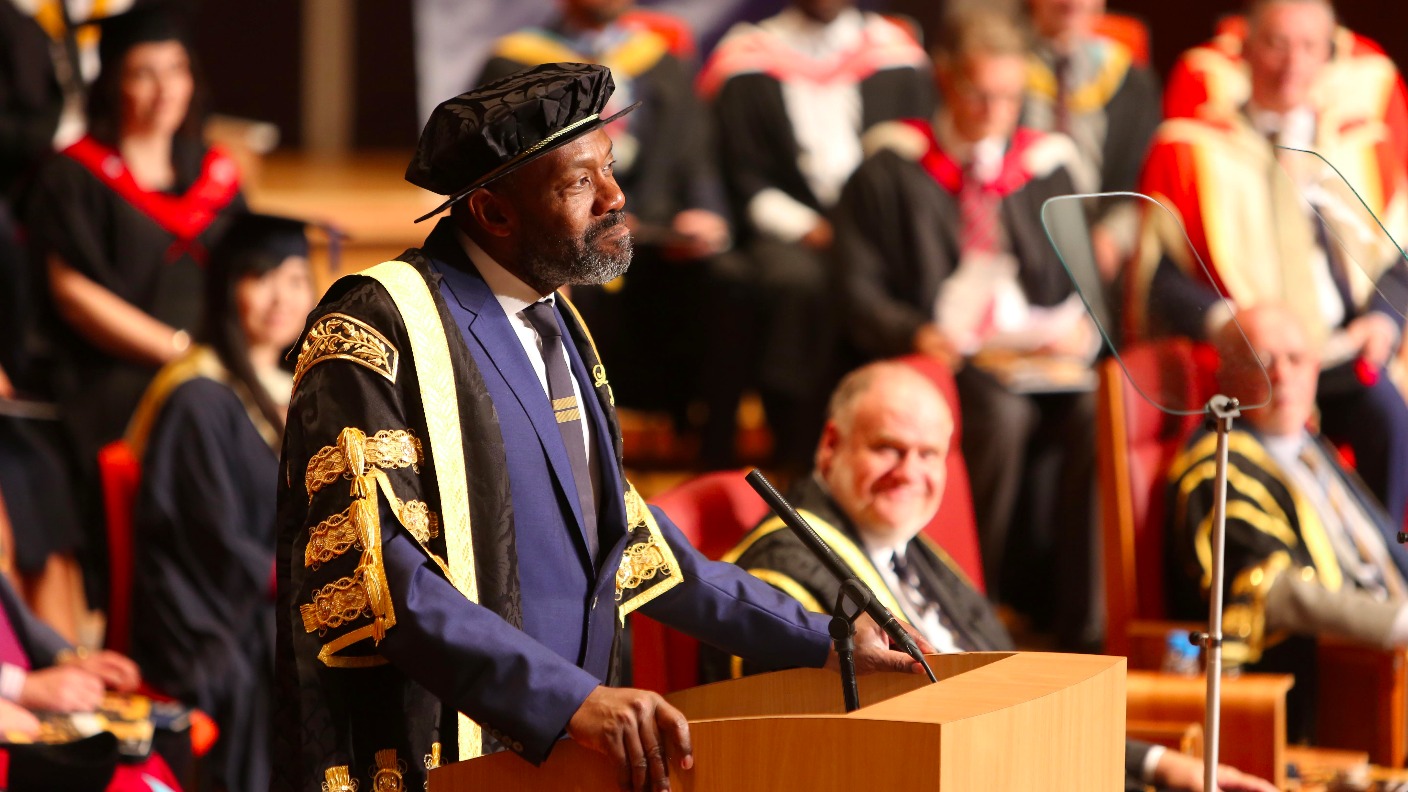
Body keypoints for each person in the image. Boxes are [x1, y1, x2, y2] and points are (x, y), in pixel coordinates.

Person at [272, 63, 926, 792]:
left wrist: (829, 640)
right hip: (450, 754)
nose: (617, 198)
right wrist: (569, 702)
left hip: (575, 759)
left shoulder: (559, 322)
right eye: (579, 183)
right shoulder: (377, 327)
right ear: (492, 212)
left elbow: (636, 553)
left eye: (608, 169)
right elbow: (383, 581)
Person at [707, 360, 1277, 792]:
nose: (910, 473)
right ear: (831, 445)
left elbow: (1016, 697)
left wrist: (1156, 764)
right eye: (888, 449)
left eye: (929, 455)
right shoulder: (785, 578)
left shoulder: (917, 553)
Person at [829, 9, 1100, 651]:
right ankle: (980, 602)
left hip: (1036, 356)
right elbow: (854, 291)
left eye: (1010, 97)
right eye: (981, 93)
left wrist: (1079, 330)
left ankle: (1081, 622)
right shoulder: (892, 166)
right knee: (1001, 418)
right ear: (947, 83)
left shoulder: (1047, 167)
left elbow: (1091, 287)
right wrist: (915, 331)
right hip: (944, 358)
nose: (995, 111)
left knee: (1095, 412)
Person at [1132, 0, 1408, 528]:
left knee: (1390, 420)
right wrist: (1228, 323)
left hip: (1341, 348)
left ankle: (1385, 580)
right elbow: (1159, 280)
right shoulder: (1188, 148)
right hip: (1244, 363)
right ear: (1245, 50)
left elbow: (1401, 258)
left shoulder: (1361, 146)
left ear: (1329, 56)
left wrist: (1382, 320)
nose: (1292, 63)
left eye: (1309, 47)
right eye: (1277, 44)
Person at [476, 0, 738, 460]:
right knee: (573, 286)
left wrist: (706, 212)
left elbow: (696, 155)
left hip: (657, 233)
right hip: (563, 234)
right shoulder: (517, 61)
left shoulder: (660, 60)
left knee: (727, 281)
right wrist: (592, 215)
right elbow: (505, 172)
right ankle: (580, 451)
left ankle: (714, 458)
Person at [698, 0, 933, 469]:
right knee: (801, 286)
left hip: (876, 232)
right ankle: (798, 449)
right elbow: (743, 177)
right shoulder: (749, 59)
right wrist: (812, 228)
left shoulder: (896, 56)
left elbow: (920, 158)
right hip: (792, 232)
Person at [126, 213, 315, 792]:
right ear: (227, 286)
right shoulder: (198, 398)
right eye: (262, 277)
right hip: (214, 619)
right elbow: (211, 542)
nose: (281, 298)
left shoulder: (301, 388)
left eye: (296, 278)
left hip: (270, 598)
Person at [22, 4, 243, 479]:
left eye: (176, 70)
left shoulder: (217, 174)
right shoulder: (73, 176)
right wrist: (181, 354)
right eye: (144, 73)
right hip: (114, 376)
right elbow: (71, 294)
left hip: (214, 370)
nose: (165, 90)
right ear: (113, 82)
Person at [1166, 304, 1408, 733]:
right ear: (1225, 376)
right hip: (1329, 679)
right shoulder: (1218, 465)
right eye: (1262, 361)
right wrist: (1397, 623)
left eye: (1295, 359)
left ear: (1317, 367)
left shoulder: (1307, 445)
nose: (1282, 374)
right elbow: (1270, 592)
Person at [1022, 0, 1161, 283]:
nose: (1070, 2)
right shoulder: (1000, 75)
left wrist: (1112, 237)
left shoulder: (1132, 82)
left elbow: (1143, 185)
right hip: (1019, 237)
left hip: (1096, 251)